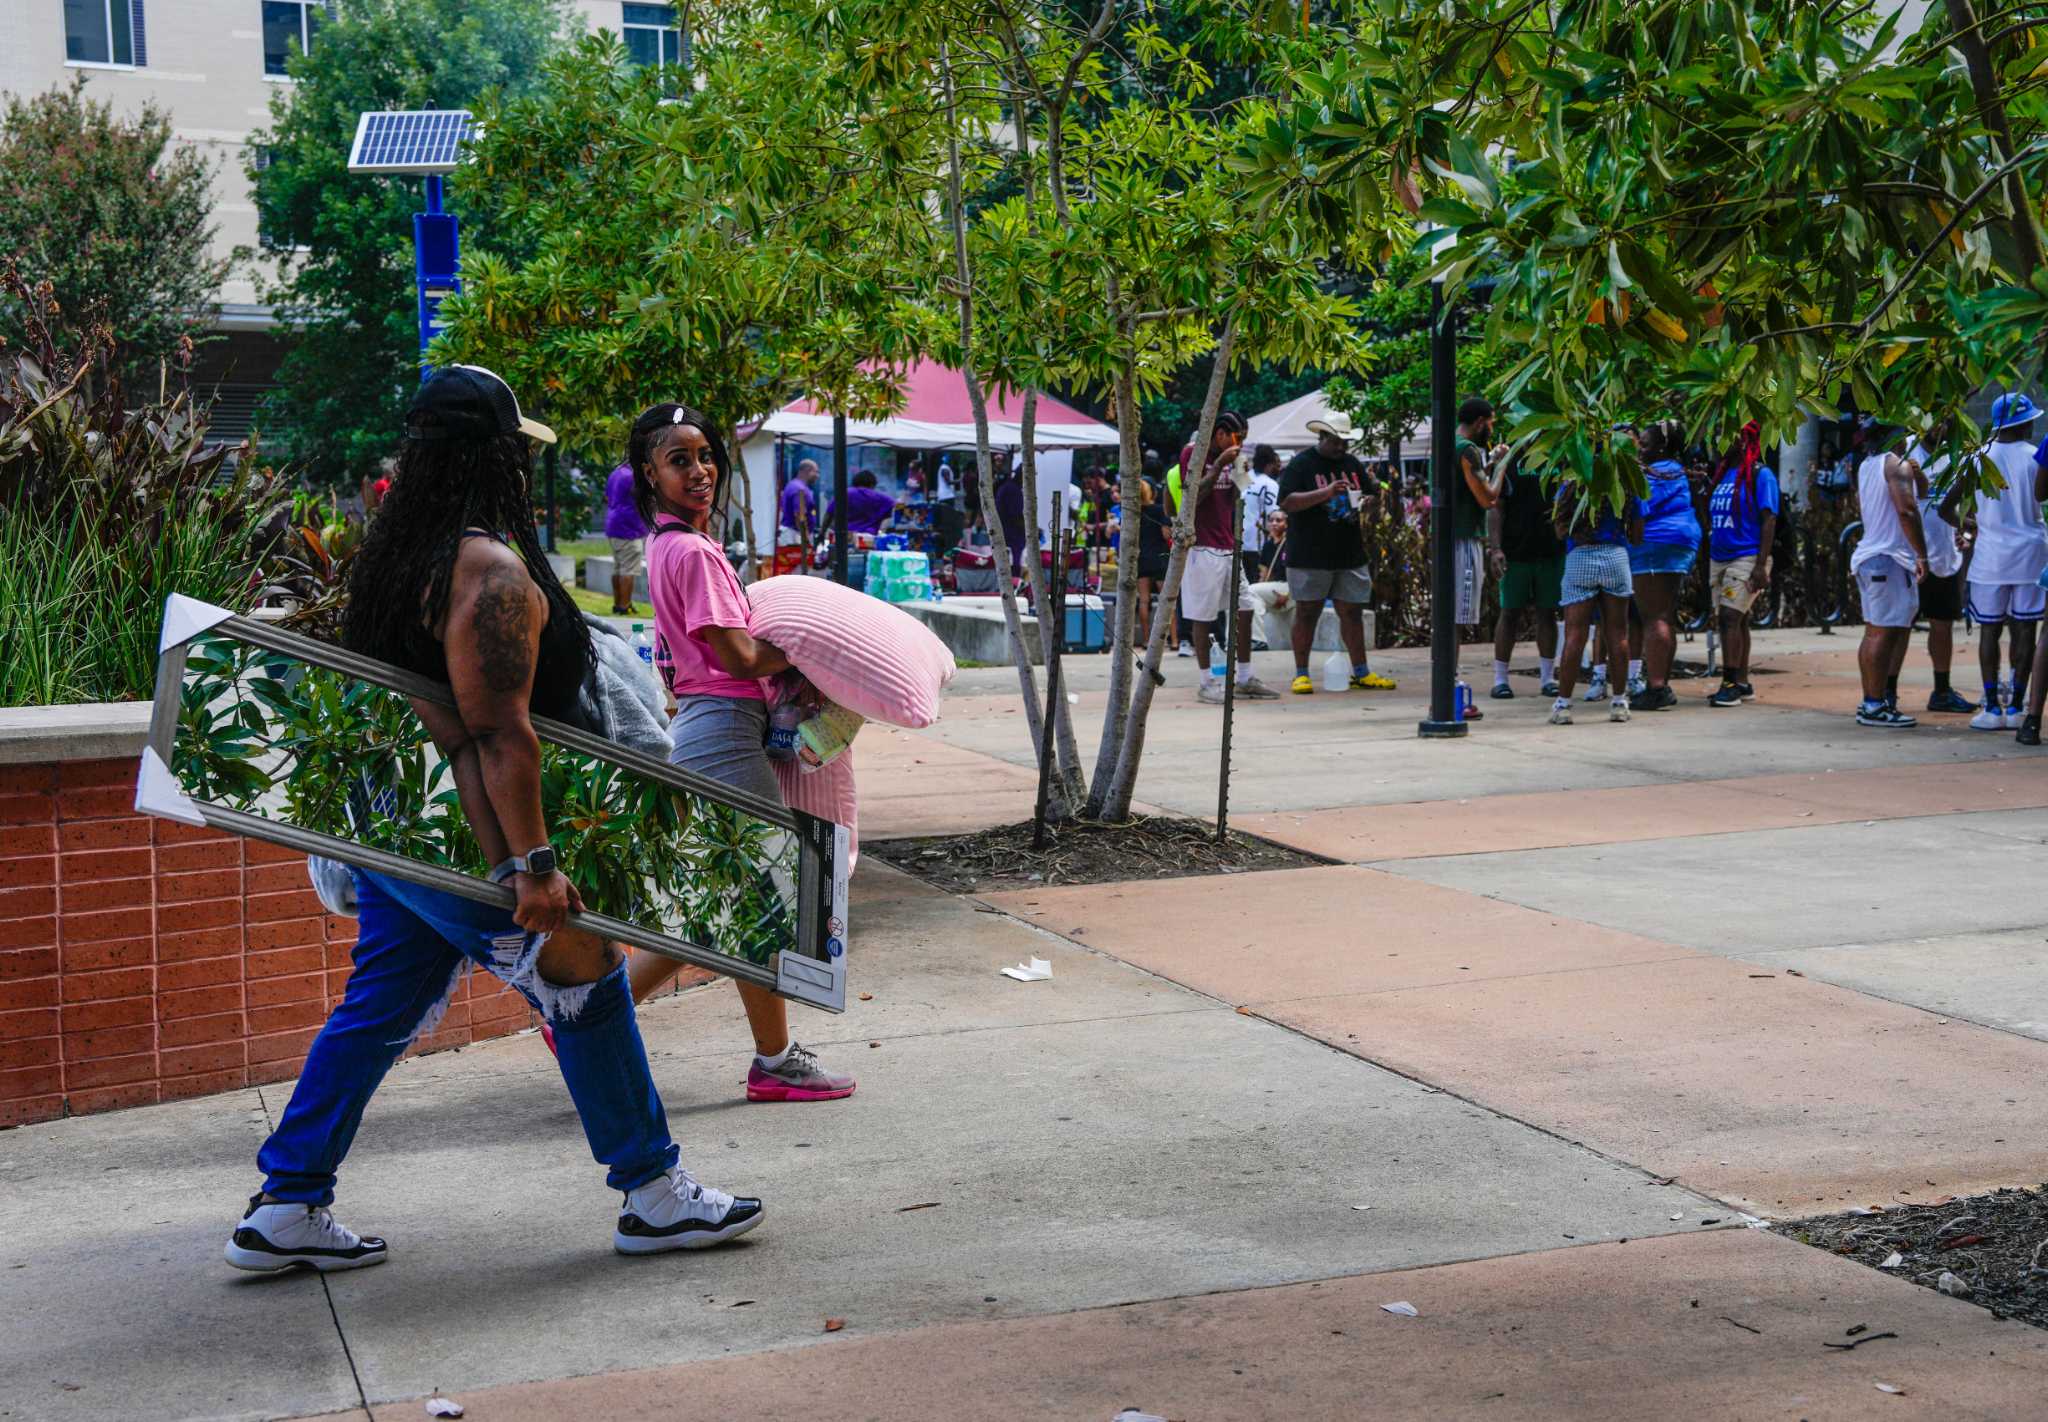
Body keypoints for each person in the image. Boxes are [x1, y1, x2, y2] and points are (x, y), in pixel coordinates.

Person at [226, 366, 761, 1274]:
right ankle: (653, 1192)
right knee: (588, 983)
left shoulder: (401, 559)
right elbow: (497, 735)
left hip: (408, 837)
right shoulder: (491, 572)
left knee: (377, 1009)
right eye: (517, 450)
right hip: (477, 844)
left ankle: (287, 1201)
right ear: (495, 458)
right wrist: (534, 866)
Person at [622, 402, 858, 1101]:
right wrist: (805, 653)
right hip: (721, 729)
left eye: (705, 456)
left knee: (729, 905)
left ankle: (591, 1014)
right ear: (649, 473)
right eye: (679, 460)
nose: (699, 471)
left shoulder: (673, 544)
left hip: (712, 726)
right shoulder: (690, 550)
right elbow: (733, 650)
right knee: (759, 905)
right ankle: (775, 1064)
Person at [1947, 393, 2048, 729]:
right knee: (2025, 629)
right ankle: (2018, 707)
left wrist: (1975, 525)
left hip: (1990, 557)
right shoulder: (2036, 457)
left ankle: (1991, 708)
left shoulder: (1978, 459)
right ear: (2024, 423)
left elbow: (1947, 507)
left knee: (1988, 631)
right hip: (2031, 554)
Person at [1276, 412, 1393, 693]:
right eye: (1336, 442)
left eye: (1345, 443)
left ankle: (1361, 672)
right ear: (1323, 437)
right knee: (1307, 611)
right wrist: (1325, 493)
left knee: (1352, 611)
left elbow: (1369, 492)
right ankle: (1301, 673)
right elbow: (1287, 502)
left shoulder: (1352, 464)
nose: (1341, 448)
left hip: (1349, 551)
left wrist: (1372, 497)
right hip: (1309, 553)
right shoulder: (1302, 464)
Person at [1179, 412, 1280, 703]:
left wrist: (1238, 474)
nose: (1239, 444)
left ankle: (1245, 677)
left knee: (1246, 608)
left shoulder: (1233, 456)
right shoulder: (1193, 453)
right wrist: (1219, 466)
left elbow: (1235, 499)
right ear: (1220, 434)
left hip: (1227, 544)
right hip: (1202, 546)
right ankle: (1206, 681)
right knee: (1203, 616)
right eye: (1237, 438)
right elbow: (1192, 498)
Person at [1848, 421, 1930, 728]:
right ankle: (1873, 705)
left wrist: (1916, 472)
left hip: (1873, 556)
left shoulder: (1870, 465)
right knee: (1882, 633)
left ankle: (1873, 701)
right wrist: (1922, 554)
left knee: (1875, 631)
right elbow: (1907, 510)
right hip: (1888, 557)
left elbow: (1922, 492)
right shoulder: (1893, 465)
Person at [1549, 475, 1642, 725]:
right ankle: (1620, 702)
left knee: (1575, 635)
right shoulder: (1624, 483)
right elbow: (1637, 535)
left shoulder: (1570, 484)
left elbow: (1559, 530)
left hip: (1580, 558)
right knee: (1618, 634)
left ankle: (1564, 705)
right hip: (1615, 558)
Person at [1625, 420, 1701, 711]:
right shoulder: (1676, 470)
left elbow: (1640, 504)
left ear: (1661, 447)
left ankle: (1656, 686)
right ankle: (1660, 683)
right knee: (1663, 615)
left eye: (1644, 445)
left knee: (1654, 616)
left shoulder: (1658, 472)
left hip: (1656, 544)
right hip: (1677, 542)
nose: (1640, 450)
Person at [1704, 421, 1779, 708]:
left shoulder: (1762, 474)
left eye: (1729, 435)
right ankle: (1742, 681)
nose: (1722, 440)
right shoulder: (1723, 474)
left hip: (1746, 556)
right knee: (1738, 619)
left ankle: (1729, 683)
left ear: (1745, 439)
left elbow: (1769, 518)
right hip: (1720, 557)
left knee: (1729, 618)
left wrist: (1761, 565)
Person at [1486, 450, 1564, 699]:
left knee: (1548, 612)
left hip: (1551, 550)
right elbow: (1496, 506)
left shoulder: (1560, 453)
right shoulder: (1510, 459)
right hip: (1515, 550)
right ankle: (1500, 679)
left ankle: (1548, 678)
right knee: (1509, 613)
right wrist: (1495, 548)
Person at [1911, 428, 1977, 716]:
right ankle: (1884, 693)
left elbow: (1968, 502)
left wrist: (1967, 532)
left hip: (1945, 551)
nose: (1939, 426)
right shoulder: (1905, 453)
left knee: (1943, 623)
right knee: (1897, 628)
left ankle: (1941, 690)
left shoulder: (1958, 454)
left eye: (1945, 419)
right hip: (1910, 553)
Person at [1454, 398, 1510, 712]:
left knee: (1452, 617)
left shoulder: (1449, 443)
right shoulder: (1468, 449)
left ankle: (1448, 683)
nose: (1492, 428)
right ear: (1479, 422)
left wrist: (1489, 465)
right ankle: (1449, 685)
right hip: (1463, 540)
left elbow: (1469, 483)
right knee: (1456, 619)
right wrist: (1502, 464)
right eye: (1491, 422)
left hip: (1449, 538)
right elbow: (1488, 497)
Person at [604, 459, 646, 616]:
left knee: (619, 567)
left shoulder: (616, 473)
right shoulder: (633, 476)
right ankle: (625, 606)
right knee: (628, 569)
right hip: (628, 528)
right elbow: (643, 498)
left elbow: (607, 498)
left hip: (613, 524)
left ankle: (617, 604)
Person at [825, 469, 898, 537]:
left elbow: (829, 514)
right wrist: (881, 531)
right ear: (872, 484)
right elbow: (892, 506)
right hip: (868, 538)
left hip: (845, 537)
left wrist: (822, 533)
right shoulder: (880, 497)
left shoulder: (845, 493)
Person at [778, 459, 819, 549]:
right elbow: (799, 516)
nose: (817, 476)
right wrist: (805, 538)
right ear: (807, 471)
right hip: (794, 537)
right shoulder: (799, 489)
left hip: (794, 534)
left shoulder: (793, 485)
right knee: (797, 562)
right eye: (816, 472)